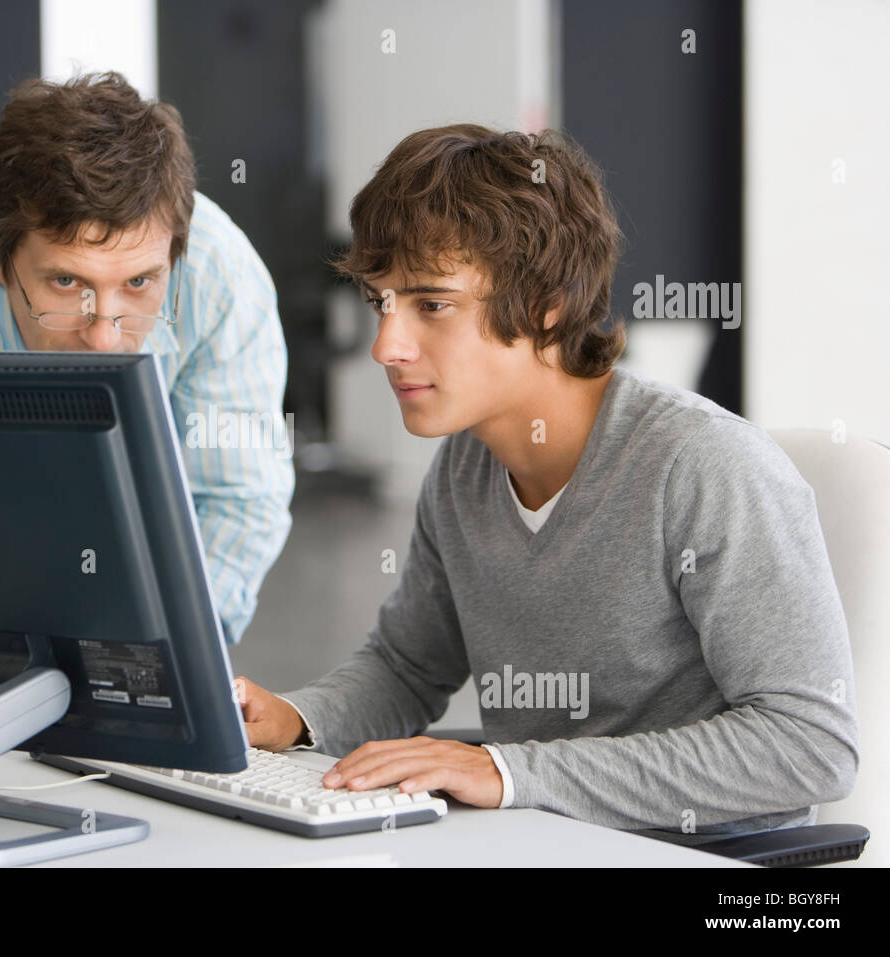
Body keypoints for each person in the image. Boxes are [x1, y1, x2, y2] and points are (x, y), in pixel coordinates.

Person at [236, 124, 858, 844]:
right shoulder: (466, 467)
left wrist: (511, 772)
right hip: (538, 842)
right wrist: (296, 717)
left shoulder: (704, 465)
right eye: (381, 302)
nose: (386, 346)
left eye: (431, 305)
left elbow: (810, 744)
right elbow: (408, 667)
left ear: (547, 306)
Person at [0, 72, 293, 645]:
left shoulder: (219, 275)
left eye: (138, 283)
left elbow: (236, 501)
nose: (104, 337)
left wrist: (172, 651)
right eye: (64, 281)